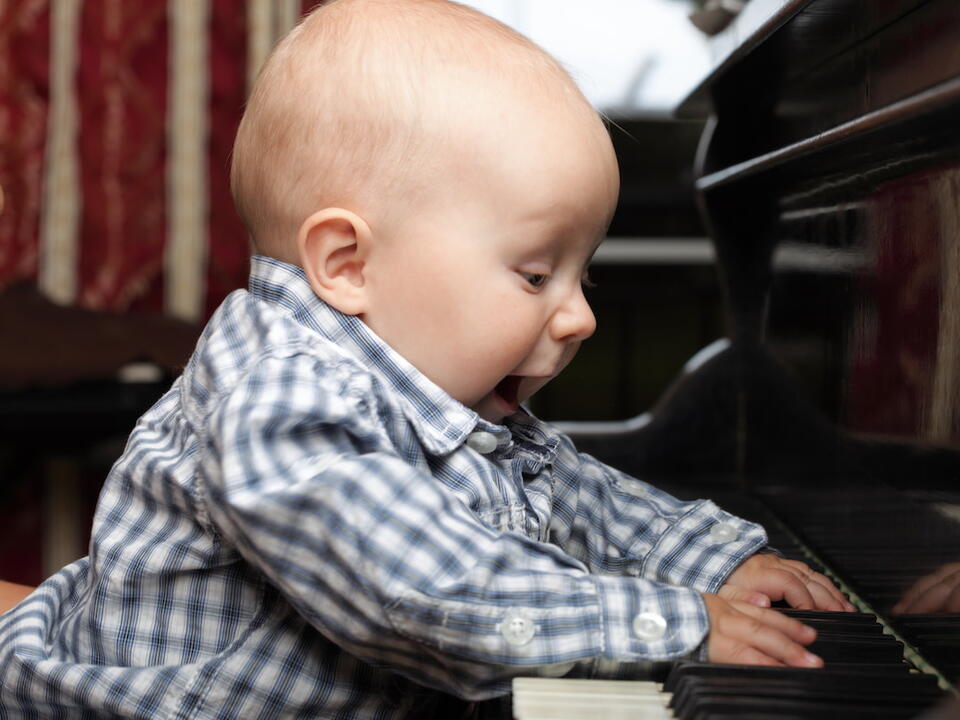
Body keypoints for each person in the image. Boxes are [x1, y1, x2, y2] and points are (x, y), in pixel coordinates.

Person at [0, 0, 853, 717]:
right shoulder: (282, 399)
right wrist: (676, 625)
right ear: (348, 264)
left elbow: (580, 497)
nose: (583, 316)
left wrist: (716, 561)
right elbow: (428, 595)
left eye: (580, 274)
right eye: (534, 273)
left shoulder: (447, 399)